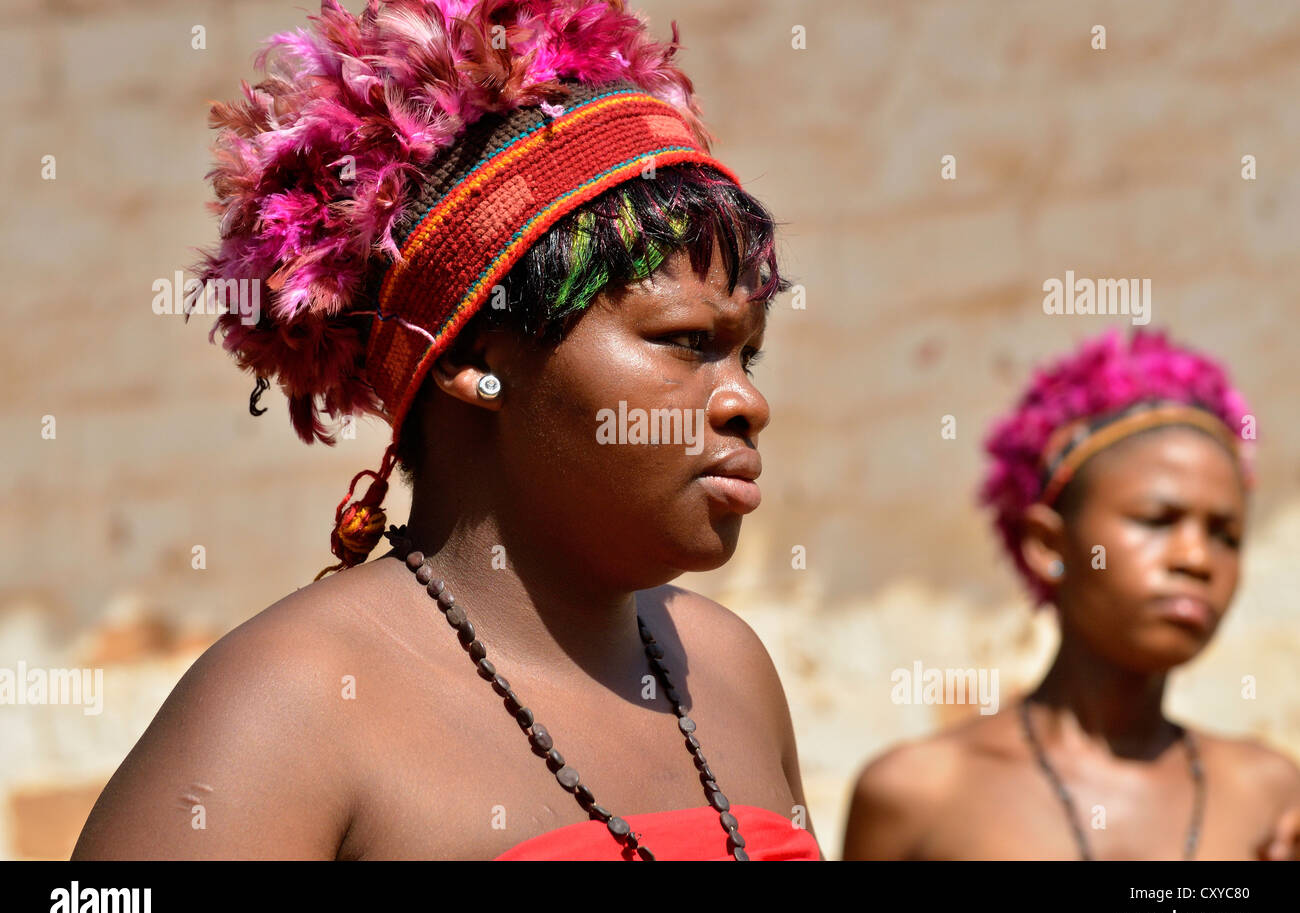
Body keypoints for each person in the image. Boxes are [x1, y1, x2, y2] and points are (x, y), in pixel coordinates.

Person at [73, 0, 819, 861]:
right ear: (475, 356)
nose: (743, 403)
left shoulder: (727, 671)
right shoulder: (291, 707)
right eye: (686, 341)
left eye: (746, 358)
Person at [843, 329, 1300, 860]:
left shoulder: (1267, 796)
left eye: (1226, 535)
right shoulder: (920, 795)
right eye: (1158, 520)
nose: (1197, 560)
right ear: (1047, 544)